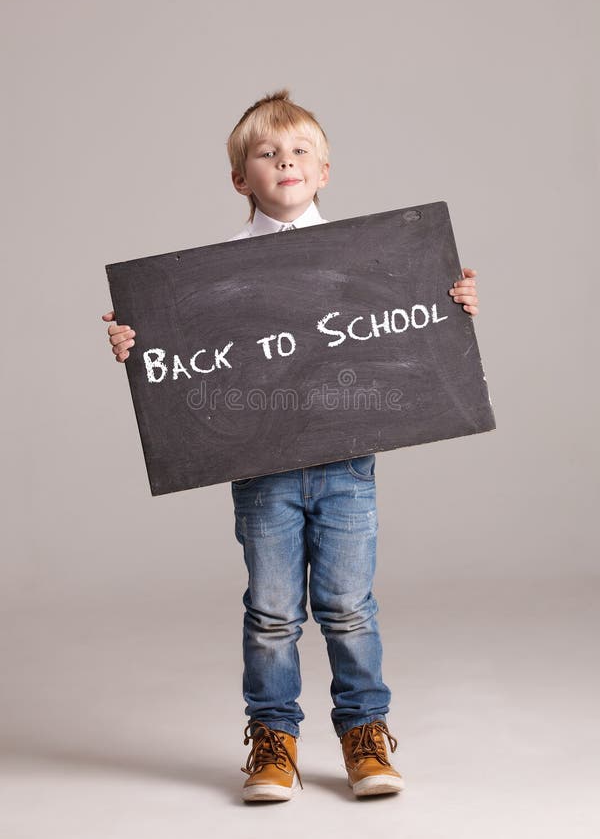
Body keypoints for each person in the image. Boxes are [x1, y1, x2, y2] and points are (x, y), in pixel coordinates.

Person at [102, 90, 479, 802]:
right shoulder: (198, 284)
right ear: (241, 179)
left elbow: (414, 324)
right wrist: (134, 339)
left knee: (348, 605)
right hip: (261, 469)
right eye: (267, 153)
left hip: (346, 464)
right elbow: (170, 359)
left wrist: (447, 305)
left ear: (326, 169)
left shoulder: (377, 261)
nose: (286, 161)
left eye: (300, 150)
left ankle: (364, 734)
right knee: (273, 612)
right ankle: (273, 741)